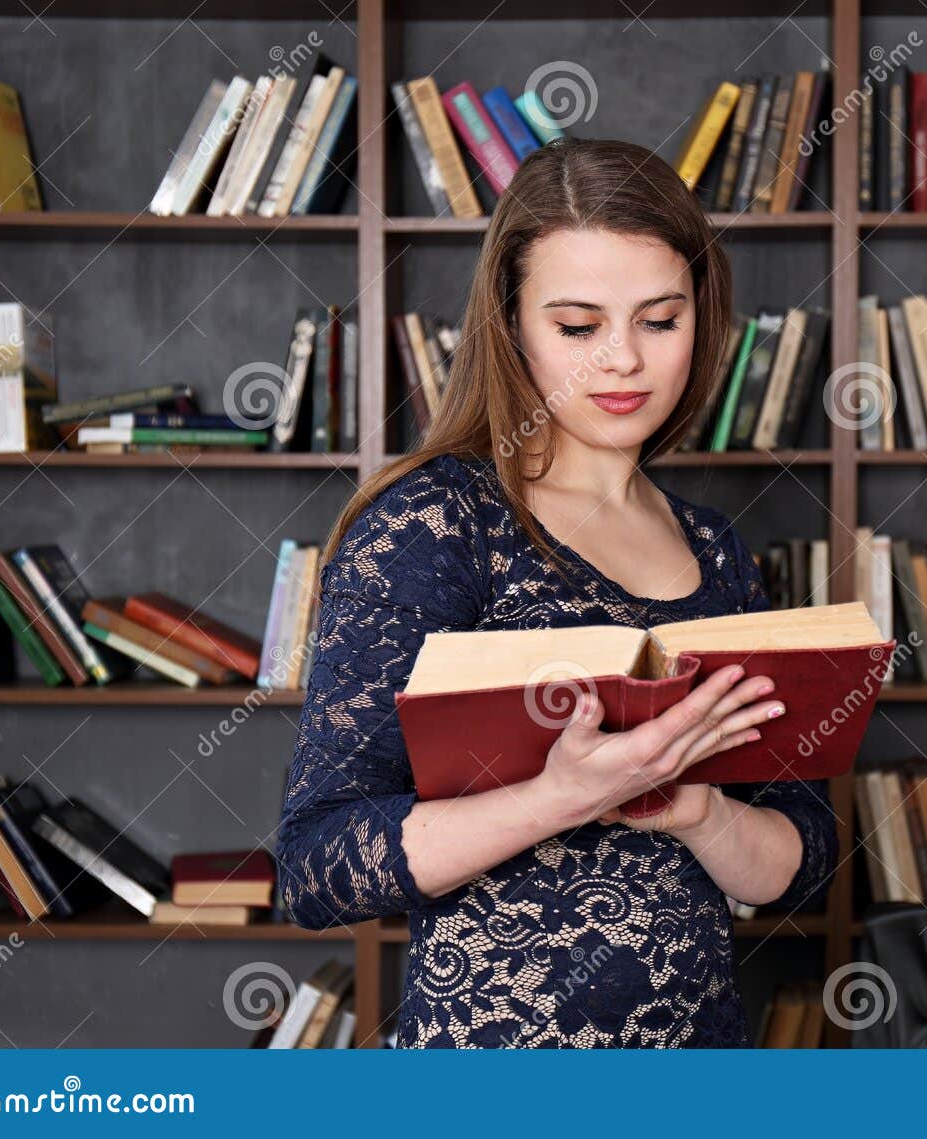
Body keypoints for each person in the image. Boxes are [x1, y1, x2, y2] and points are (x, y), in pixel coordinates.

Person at [277, 137, 838, 1048]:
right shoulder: (439, 522)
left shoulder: (719, 551)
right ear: (511, 324)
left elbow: (801, 859)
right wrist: (563, 795)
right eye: (577, 327)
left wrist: (697, 808)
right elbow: (316, 870)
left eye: (660, 320)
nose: (621, 360)